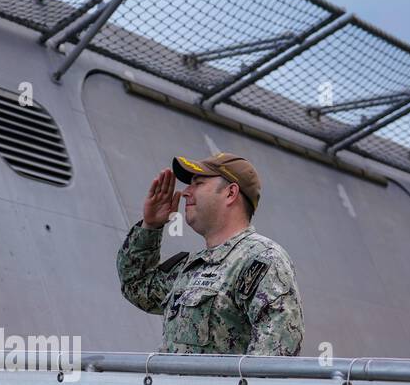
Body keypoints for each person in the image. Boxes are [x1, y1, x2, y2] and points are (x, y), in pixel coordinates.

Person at [116, 151, 304, 355]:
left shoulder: (261, 259)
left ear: (230, 193)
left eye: (198, 183)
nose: (186, 192)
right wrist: (150, 227)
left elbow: (277, 349)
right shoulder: (193, 267)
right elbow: (137, 286)